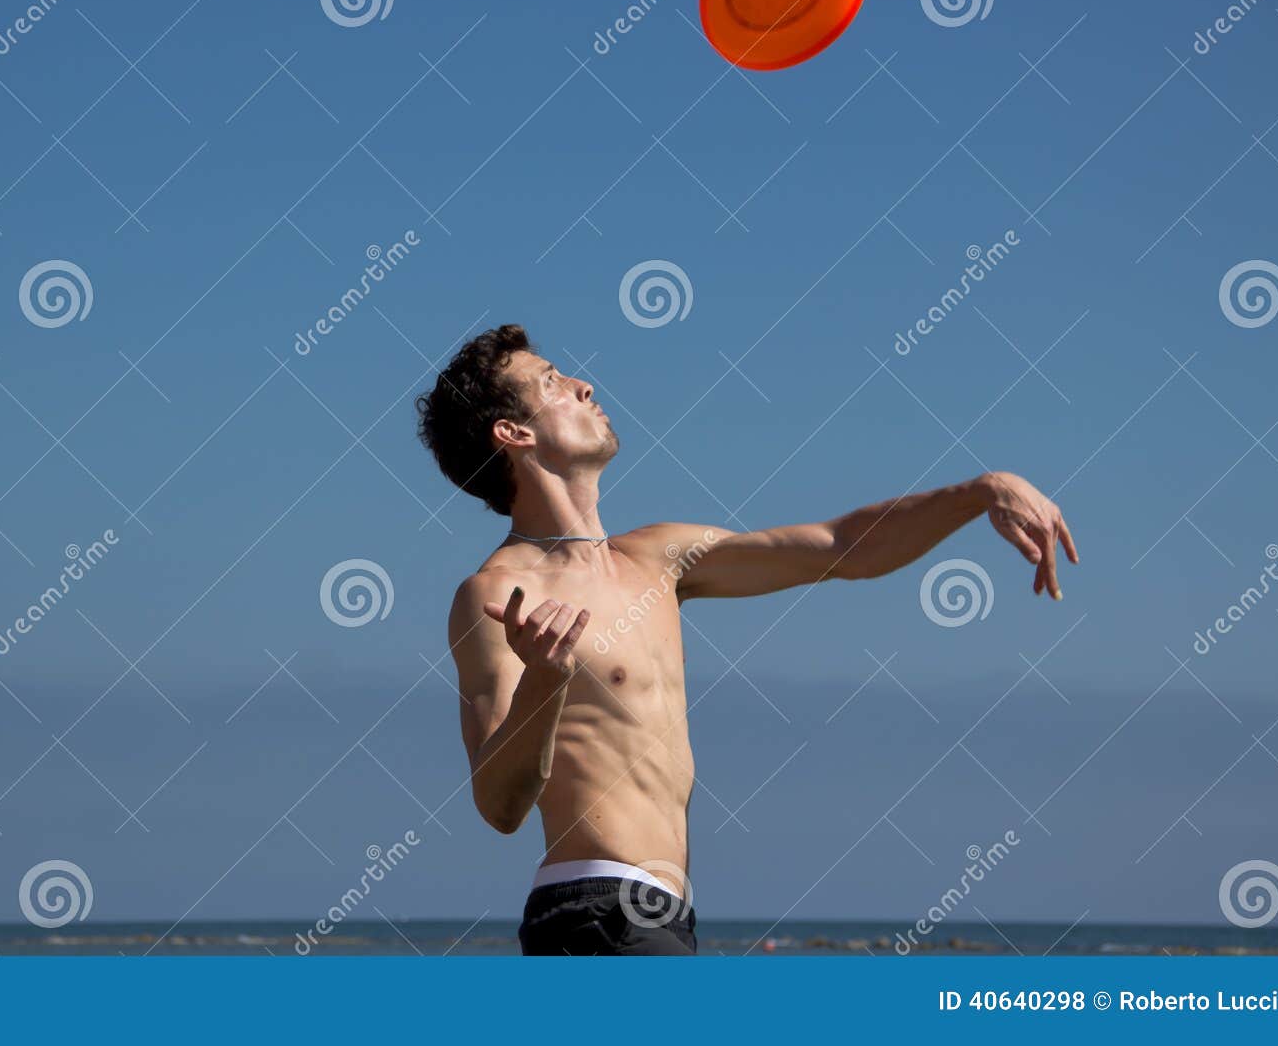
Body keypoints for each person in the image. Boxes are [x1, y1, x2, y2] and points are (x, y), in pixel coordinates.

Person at [415, 325, 1079, 955]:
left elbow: (839, 547)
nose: (583, 384)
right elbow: (498, 804)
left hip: (663, 911)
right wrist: (545, 681)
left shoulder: (657, 557)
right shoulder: (498, 594)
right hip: (594, 910)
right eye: (553, 381)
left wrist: (979, 491)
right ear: (514, 432)